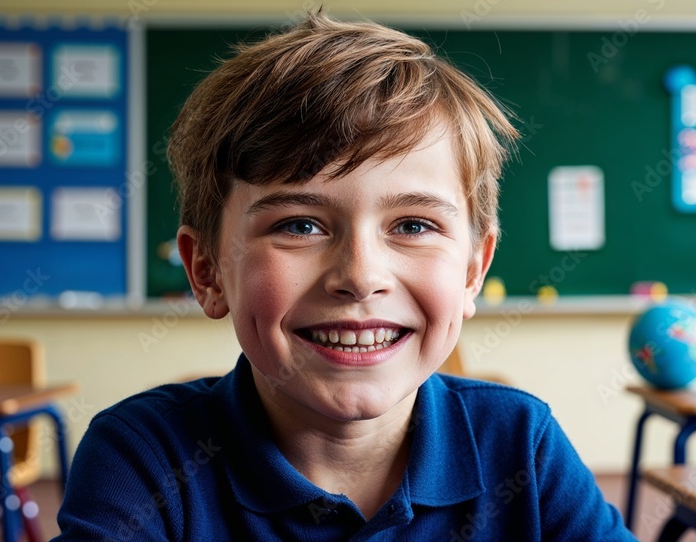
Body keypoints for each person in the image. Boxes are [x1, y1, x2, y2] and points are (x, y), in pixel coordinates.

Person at [55, 12, 634, 540]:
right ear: (205, 270)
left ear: (472, 271)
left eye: (412, 225)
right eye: (300, 226)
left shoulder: (520, 446)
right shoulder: (144, 457)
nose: (360, 277)